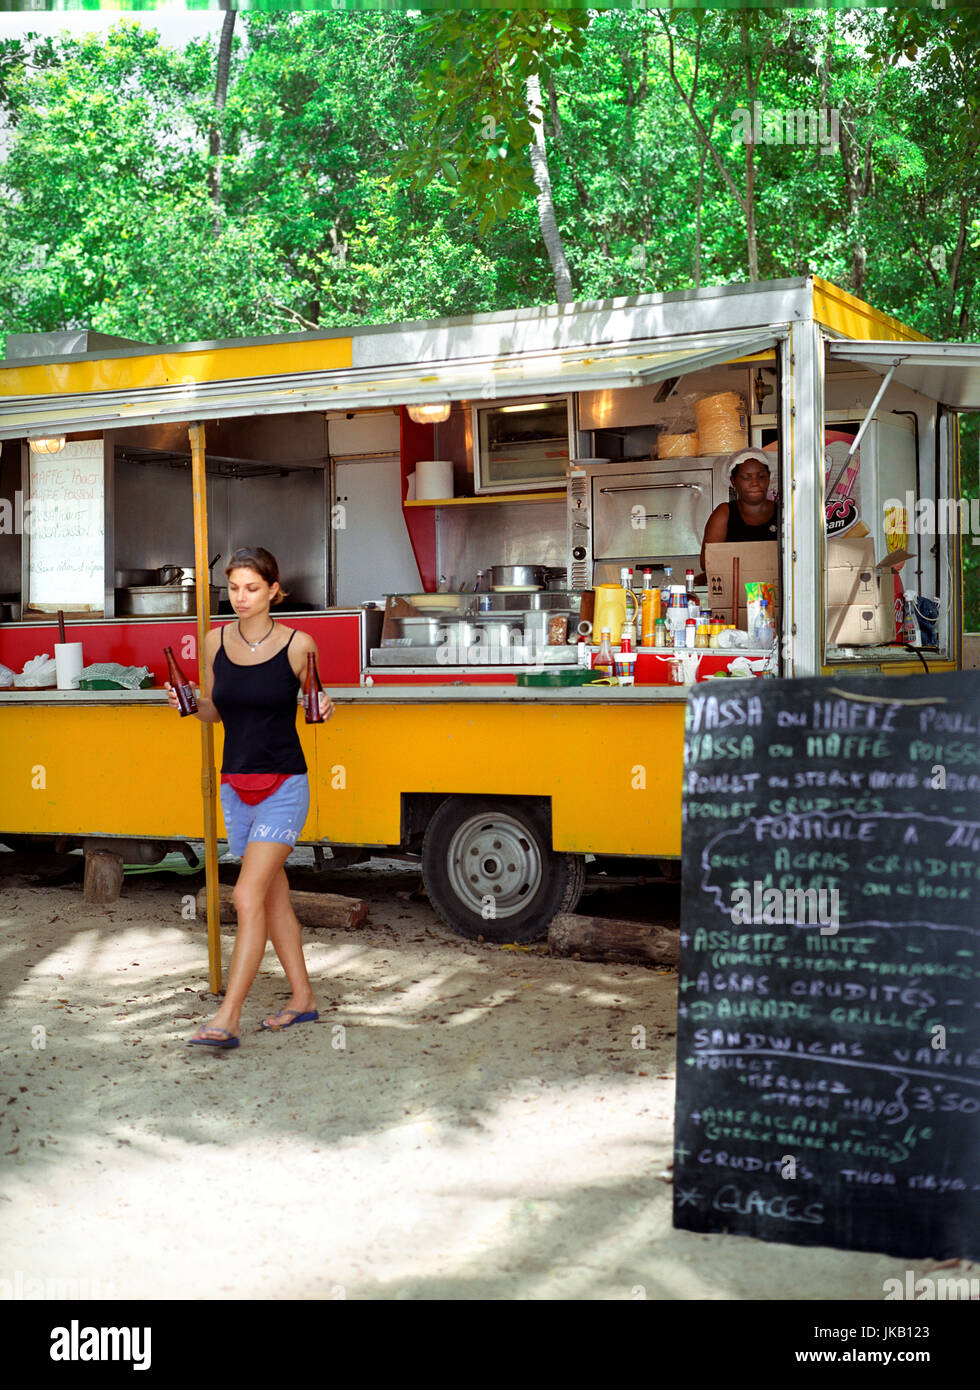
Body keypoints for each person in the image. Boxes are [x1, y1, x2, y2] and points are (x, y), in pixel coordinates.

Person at [165, 546, 334, 1049]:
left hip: (284, 785)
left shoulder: (300, 644)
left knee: (243, 895)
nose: (241, 598)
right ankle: (302, 998)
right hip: (235, 785)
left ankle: (228, 1017)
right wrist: (190, 704)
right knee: (273, 898)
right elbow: (217, 711)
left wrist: (325, 702)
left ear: (274, 591)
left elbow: (316, 701)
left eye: (252, 588)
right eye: (234, 588)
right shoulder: (214, 642)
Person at [699, 448, 779, 572]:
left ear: (769, 477)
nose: (755, 483)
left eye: (761, 476)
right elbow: (707, 562)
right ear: (733, 481)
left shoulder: (782, 513)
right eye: (746, 478)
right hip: (736, 589)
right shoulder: (724, 513)